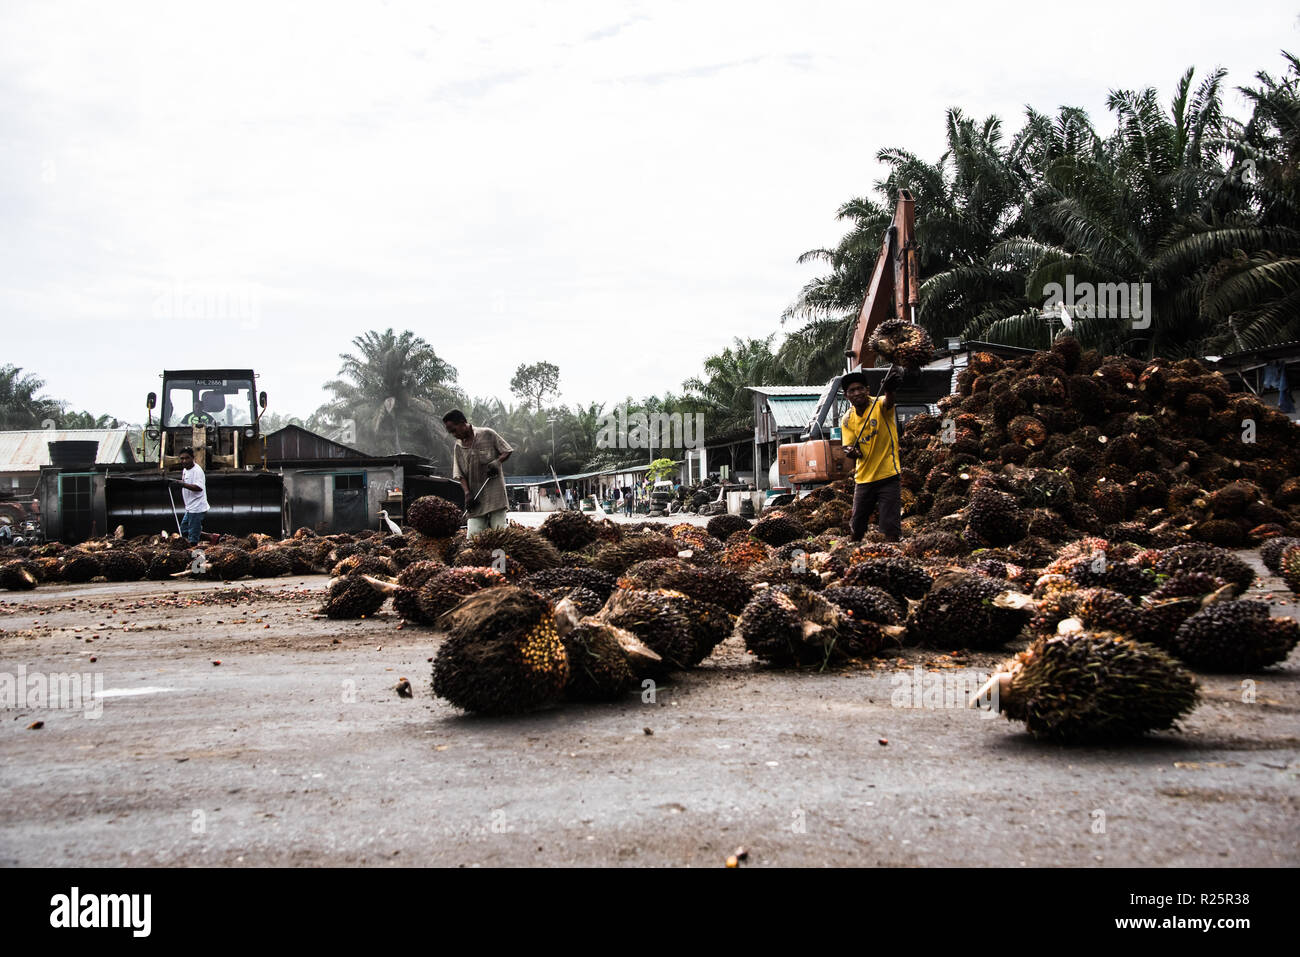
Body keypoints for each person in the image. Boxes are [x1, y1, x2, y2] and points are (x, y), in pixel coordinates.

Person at [841, 368, 903, 542]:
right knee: (857, 527)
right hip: (864, 479)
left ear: (868, 390)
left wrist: (890, 389)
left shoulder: (880, 405)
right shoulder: (847, 419)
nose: (857, 393)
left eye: (860, 388)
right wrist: (852, 451)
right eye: (852, 390)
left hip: (888, 475)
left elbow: (889, 401)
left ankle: (893, 557)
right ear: (847, 396)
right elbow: (848, 445)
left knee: (890, 527)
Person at [443, 409, 513, 536]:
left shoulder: (487, 434)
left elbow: (507, 450)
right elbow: (459, 474)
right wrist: (467, 493)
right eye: (450, 432)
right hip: (475, 498)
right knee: (473, 535)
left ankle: (501, 556)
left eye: (454, 430)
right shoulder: (458, 446)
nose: (453, 434)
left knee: (500, 533)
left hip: (495, 494)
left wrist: (497, 462)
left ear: (463, 423)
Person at [173, 447, 210, 545]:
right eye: (182, 458)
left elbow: (199, 487)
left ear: (193, 458)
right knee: (184, 529)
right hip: (190, 507)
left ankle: (193, 552)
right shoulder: (185, 470)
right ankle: (210, 537)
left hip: (197, 507)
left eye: (187, 458)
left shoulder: (197, 471)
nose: (184, 461)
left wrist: (182, 484)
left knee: (192, 536)